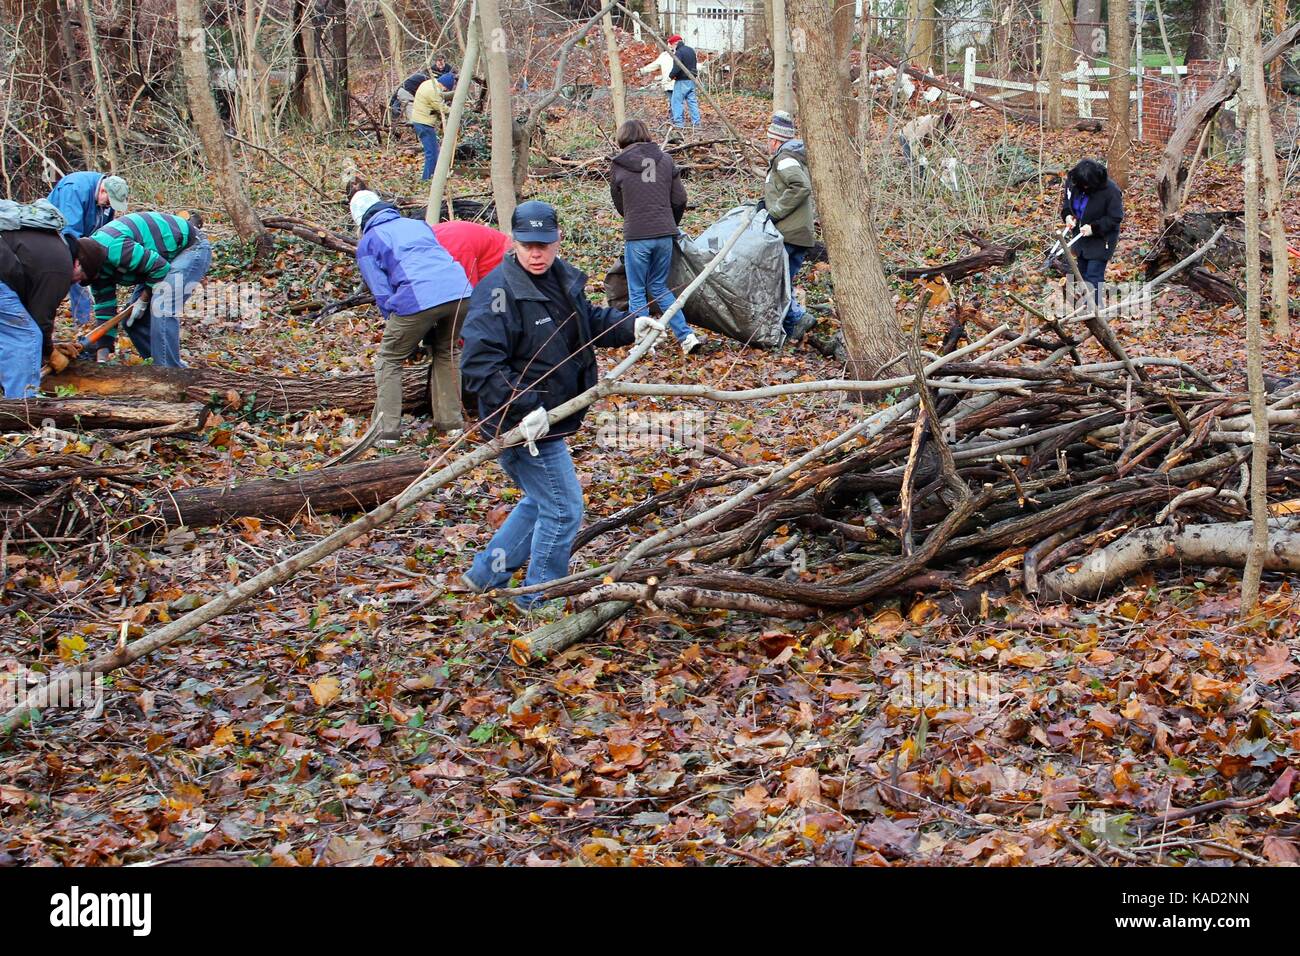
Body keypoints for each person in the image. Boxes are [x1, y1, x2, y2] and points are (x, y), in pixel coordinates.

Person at [459, 201, 634, 613]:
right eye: (528, 245)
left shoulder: (558, 277)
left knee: (540, 502)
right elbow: (480, 364)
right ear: (514, 243)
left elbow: (586, 321)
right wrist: (524, 409)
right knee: (563, 509)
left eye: (544, 245)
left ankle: (486, 573)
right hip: (522, 425)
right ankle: (540, 599)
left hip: (551, 418)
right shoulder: (498, 293)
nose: (537, 253)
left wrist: (631, 326)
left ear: (557, 241)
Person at [351, 190, 472, 443]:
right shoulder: (417, 225)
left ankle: (387, 432)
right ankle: (451, 424)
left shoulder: (368, 241)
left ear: (359, 219)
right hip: (461, 290)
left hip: (418, 297)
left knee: (390, 358)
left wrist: (401, 325)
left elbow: (382, 294)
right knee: (447, 351)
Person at [73, 210, 211, 368]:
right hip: (159, 261)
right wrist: (101, 359)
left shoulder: (115, 248)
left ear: (82, 264)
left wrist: (143, 300)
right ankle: (160, 366)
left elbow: (160, 268)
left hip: (191, 248)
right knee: (132, 321)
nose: (76, 281)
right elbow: (105, 313)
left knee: (162, 305)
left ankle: (170, 374)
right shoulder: (95, 272)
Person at [609, 118, 700, 355]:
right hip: (664, 233)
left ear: (623, 138)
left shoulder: (618, 164)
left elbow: (619, 202)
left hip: (637, 234)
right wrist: (669, 223)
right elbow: (680, 199)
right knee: (659, 285)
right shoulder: (666, 159)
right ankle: (686, 336)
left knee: (637, 289)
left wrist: (632, 218)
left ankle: (645, 343)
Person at [47, 171, 128, 352]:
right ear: (102, 190)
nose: (108, 206)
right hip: (60, 242)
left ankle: (91, 325)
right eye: (108, 202)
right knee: (78, 275)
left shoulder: (107, 200)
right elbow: (70, 234)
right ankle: (82, 324)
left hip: (81, 240)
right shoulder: (75, 189)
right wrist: (87, 261)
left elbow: (103, 232)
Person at [0, 222, 75, 398]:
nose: (75, 283)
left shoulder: (48, 246)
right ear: (79, 264)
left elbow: (28, 314)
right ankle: (21, 407)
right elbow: (39, 320)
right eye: (81, 278)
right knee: (26, 337)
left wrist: (51, 347)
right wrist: (50, 352)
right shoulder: (61, 266)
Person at [762, 110, 817, 343]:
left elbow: (800, 186)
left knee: (777, 282)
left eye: (768, 140)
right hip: (797, 232)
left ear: (775, 140)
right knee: (784, 280)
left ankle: (796, 317)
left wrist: (774, 212)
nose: (767, 144)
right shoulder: (790, 157)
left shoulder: (784, 158)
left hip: (789, 233)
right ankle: (791, 325)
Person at [1061, 158, 1124, 304]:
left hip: (1101, 241)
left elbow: (1115, 217)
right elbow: (1067, 202)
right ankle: (1084, 307)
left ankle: (1095, 313)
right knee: (1082, 274)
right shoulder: (1073, 182)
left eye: (1086, 185)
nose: (1083, 187)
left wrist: (1094, 228)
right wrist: (1067, 216)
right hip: (1080, 238)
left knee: (1093, 276)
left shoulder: (1111, 191)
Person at [431, 220, 511, 286]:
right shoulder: (431, 237)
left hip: (506, 270)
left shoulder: (452, 249)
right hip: (487, 264)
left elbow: (464, 294)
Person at [411, 73, 451, 180]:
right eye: (446, 88)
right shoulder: (433, 90)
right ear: (444, 85)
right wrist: (453, 110)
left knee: (433, 150)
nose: (445, 90)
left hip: (420, 120)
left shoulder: (428, 83)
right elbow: (440, 106)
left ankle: (431, 176)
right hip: (424, 123)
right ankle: (427, 179)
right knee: (432, 152)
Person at [667, 35, 701, 129]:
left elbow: (677, 67)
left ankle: (678, 124)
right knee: (692, 102)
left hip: (682, 81)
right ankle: (697, 123)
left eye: (671, 45)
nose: (671, 47)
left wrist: (670, 76)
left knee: (676, 102)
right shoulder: (691, 50)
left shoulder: (679, 52)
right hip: (692, 80)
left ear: (675, 43)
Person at [638, 46, 675, 118]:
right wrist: (642, 70)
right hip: (669, 83)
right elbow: (654, 65)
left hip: (674, 83)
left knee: (674, 102)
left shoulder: (677, 54)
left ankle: (676, 120)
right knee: (674, 102)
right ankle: (675, 119)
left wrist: (642, 70)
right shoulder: (664, 56)